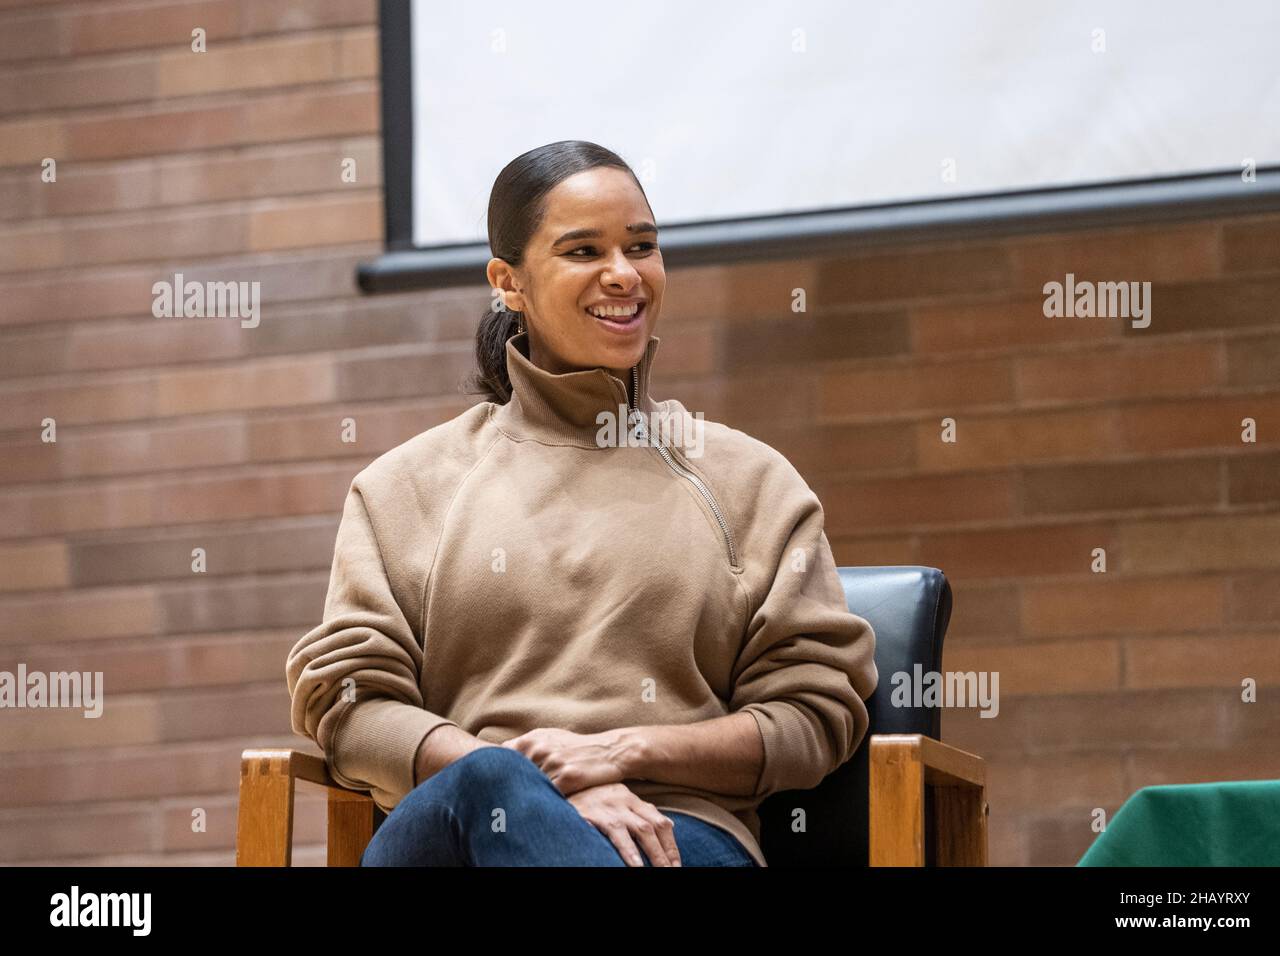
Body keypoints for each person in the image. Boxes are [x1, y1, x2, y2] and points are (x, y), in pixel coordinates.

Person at [286, 140, 879, 867]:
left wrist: (616, 753)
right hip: (455, 830)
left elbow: (814, 714)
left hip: (674, 841)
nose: (624, 274)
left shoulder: (750, 481)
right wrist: (531, 786)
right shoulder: (403, 488)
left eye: (642, 245)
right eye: (583, 250)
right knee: (487, 788)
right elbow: (349, 703)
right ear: (508, 282)